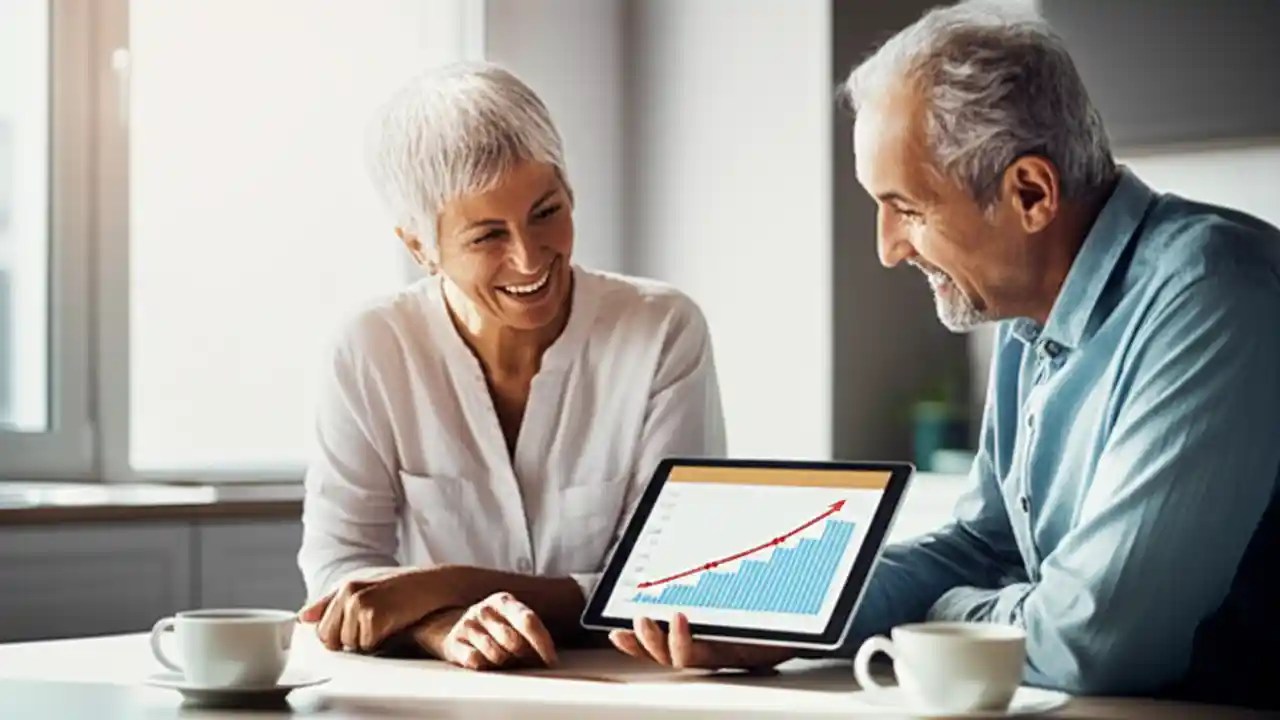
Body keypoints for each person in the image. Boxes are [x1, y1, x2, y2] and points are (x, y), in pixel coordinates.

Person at [611, 2, 1280, 709]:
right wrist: (800, 616)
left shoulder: (1216, 295)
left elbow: (1090, 640)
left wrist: (941, 616)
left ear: (1030, 193)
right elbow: (987, 546)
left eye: (908, 208)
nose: (887, 247)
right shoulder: (1030, 312)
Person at [296, 62, 726, 671]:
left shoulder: (661, 329)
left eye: (546, 212)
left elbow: (662, 584)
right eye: (487, 236)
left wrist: (437, 585)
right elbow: (338, 581)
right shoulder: (368, 347)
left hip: (632, 694)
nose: (529, 257)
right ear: (420, 246)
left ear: (570, 192)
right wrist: (442, 628)